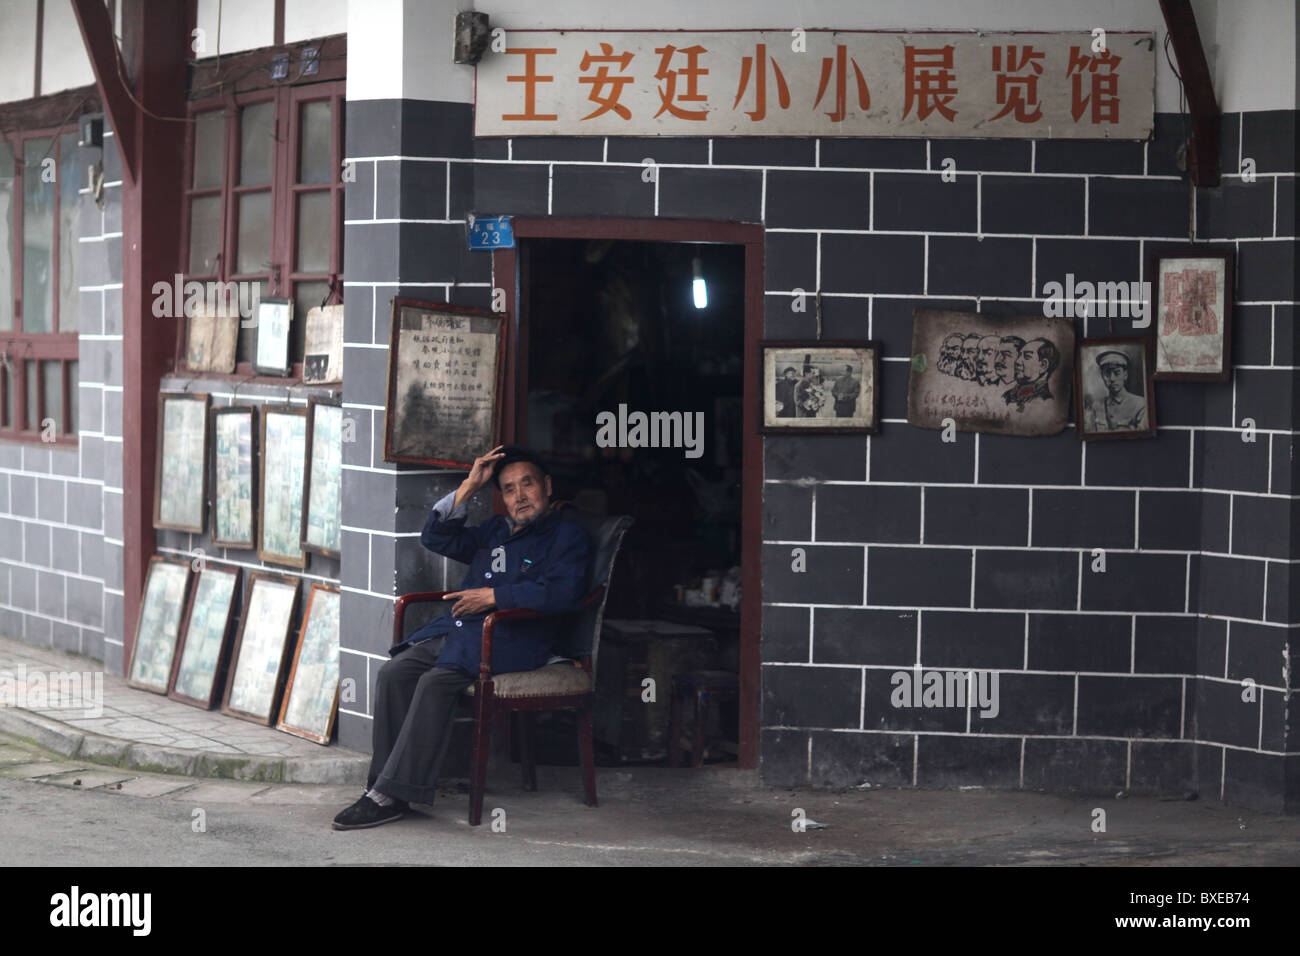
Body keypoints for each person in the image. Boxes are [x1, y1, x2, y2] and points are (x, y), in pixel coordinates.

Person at [332, 445, 592, 830]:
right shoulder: (496, 530)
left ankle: (391, 793)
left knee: (436, 683)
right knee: (396, 672)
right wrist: (469, 486)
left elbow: (564, 593)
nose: (519, 496)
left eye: (527, 484)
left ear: (547, 486)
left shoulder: (566, 536)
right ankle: (383, 785)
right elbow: (435, 539)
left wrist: (494, 596)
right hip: (462, 633)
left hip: (513, 640)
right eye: (508, 489)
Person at [1084, 350, 1147, 431]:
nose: (1112, 379)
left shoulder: (1140, 405)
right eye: (1107, 374)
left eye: (1117, 373)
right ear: (1102, 376)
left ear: (1125, 375)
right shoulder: (1096, 406)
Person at [1002, 337, 1059, 411]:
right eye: (1019, 355)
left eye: (1027, 356)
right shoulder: (1008, 395)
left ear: (1043, 365)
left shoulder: (1043, 402)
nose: (1017, 361)